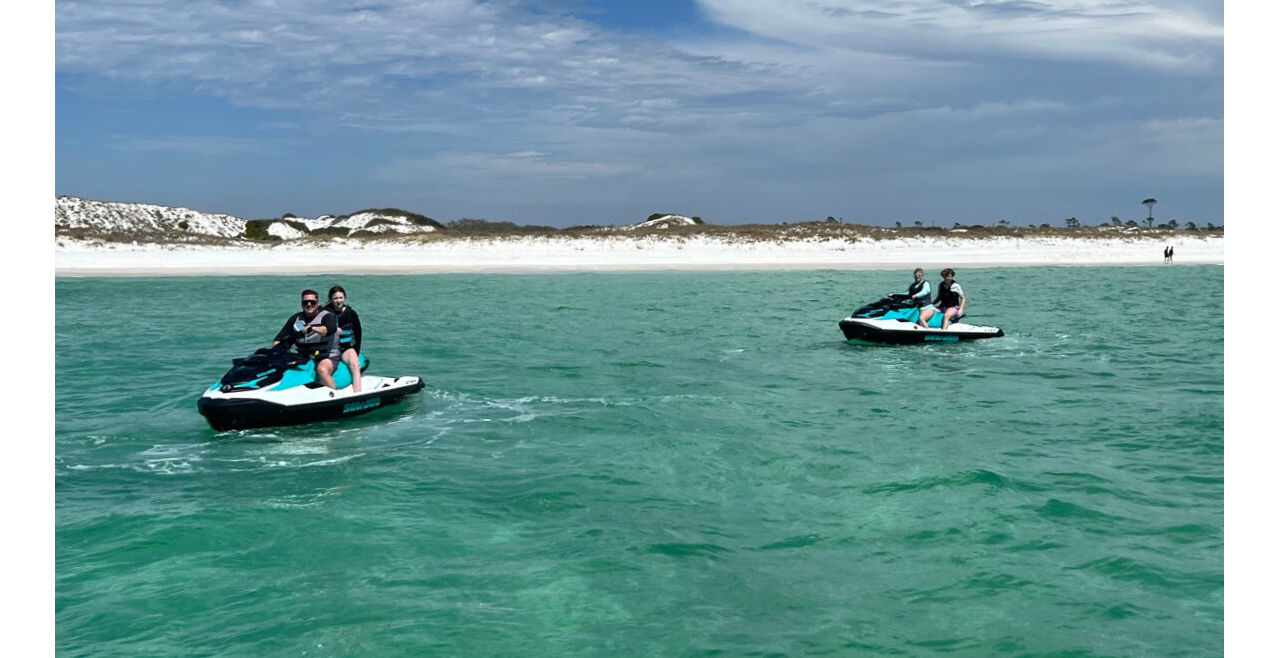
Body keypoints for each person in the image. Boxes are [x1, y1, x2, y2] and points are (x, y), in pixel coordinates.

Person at [271, 289, 340, 388]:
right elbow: (279, 338)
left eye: (312, 302)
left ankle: (334, 397)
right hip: (304, 357)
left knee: (322, 370)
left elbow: (329, 329)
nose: (309, 304)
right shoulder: (296, 319)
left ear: (317, 303)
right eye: (305, 302)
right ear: (301, 303)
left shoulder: (327, 316)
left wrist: (313, 328)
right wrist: (276, 350)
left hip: (326, 356)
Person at [323, 285, 363, 393]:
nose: (338, 301)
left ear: (345, 298)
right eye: (335, 298)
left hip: (345, 349)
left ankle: (358, 395)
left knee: (354, 364)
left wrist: (356, 351)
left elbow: (358, 334)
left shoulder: (351, 313)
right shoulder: (324, 313)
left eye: (341, 298)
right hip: (329, 349)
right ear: (330, 299)